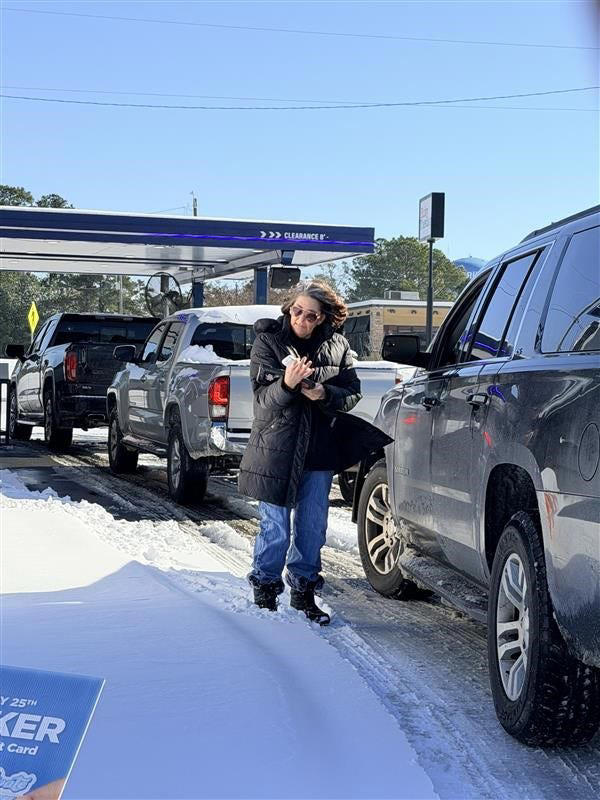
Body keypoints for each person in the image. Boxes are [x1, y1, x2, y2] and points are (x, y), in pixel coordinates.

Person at [238, 280, 392, 624]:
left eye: (311, 315)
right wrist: (288, 384)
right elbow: (263, 401)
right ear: (288, 308)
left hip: (319, 448)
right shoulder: (269, 342)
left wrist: (324, 393)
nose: (302, 320)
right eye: (297, 311)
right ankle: (264, 589)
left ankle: (304, 591)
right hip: (276, 448)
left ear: (323, 318)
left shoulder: (337, 347)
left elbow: (352, 392)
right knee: (275, 526)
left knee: (312, 526)